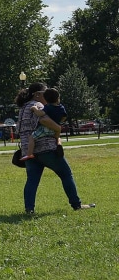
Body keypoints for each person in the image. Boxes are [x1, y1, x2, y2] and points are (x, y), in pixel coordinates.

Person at [17, 83, 94, 214]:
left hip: (28, 150)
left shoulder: (23, 108)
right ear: (37, 94)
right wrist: (58, 129)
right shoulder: (38, 105)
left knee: (32, 180)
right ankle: (77, 205)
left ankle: (29, 209)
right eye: (45, 92)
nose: (47, 94)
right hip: (46, 148)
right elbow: (44, 121)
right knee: (66, 174)